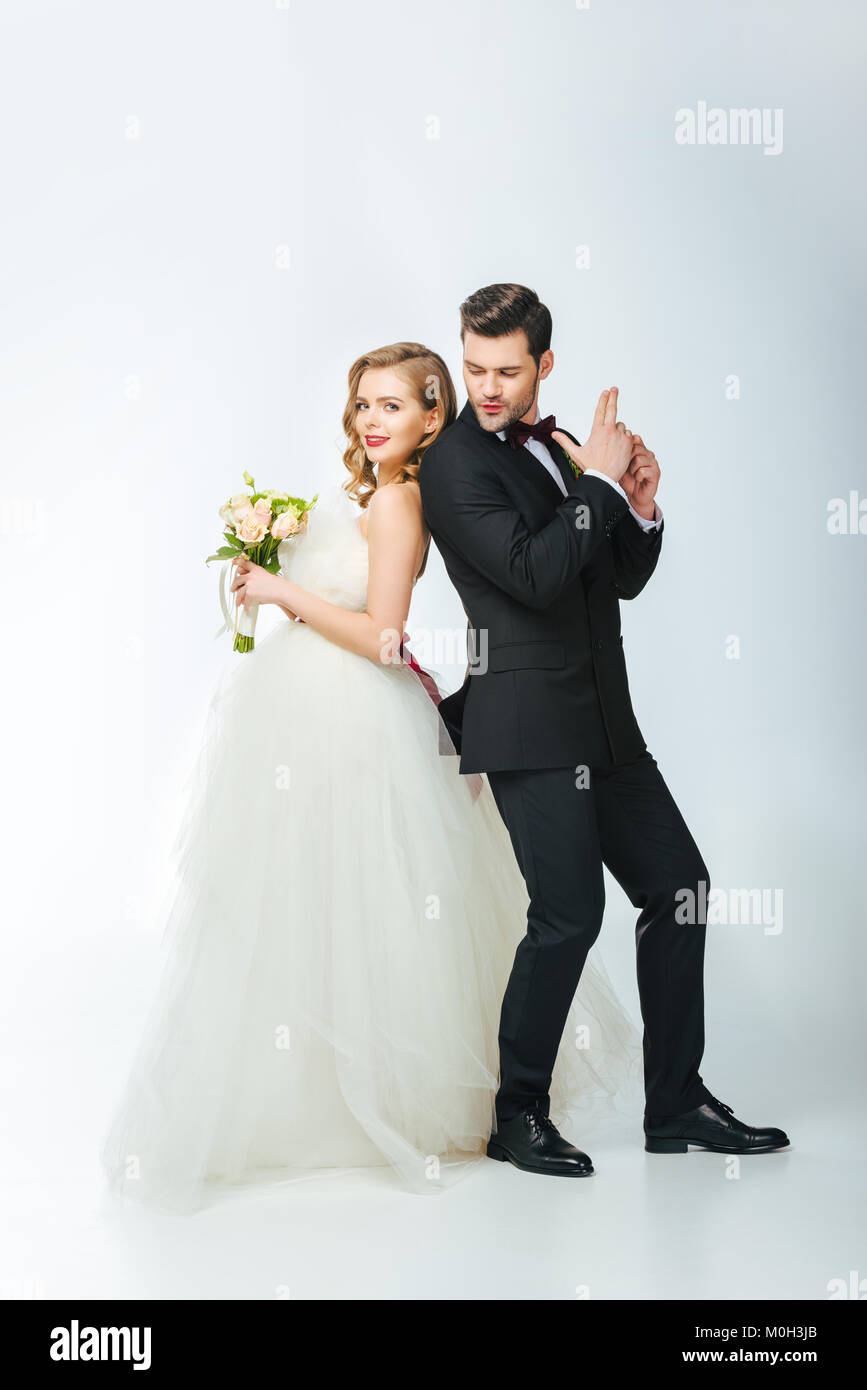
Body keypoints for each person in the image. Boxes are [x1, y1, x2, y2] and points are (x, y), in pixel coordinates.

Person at [99, 341, 642, 1214]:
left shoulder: (400, 503)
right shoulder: (375, 498)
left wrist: (285, 596)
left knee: (364, 905)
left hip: (354, 720)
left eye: (392, 405)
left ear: (434, 416)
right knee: (316, 909)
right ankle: (321, 1091)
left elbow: (382, 634)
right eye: (362, 405)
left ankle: (379, 1100)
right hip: (316, 725)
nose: (370, 420)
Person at [418, 284, 790, 1176]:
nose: (488, 386)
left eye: (507, 369)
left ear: (544, 363)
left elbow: (611, 577)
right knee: (567, 918)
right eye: (473, 368)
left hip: (606, 723)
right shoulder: (453, 466)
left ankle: (676, 1105)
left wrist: (636, 501)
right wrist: (592, 485)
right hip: (524, 723)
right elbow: (532, 577)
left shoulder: (559, 449)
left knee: (680, 886)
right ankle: (517, 1115)